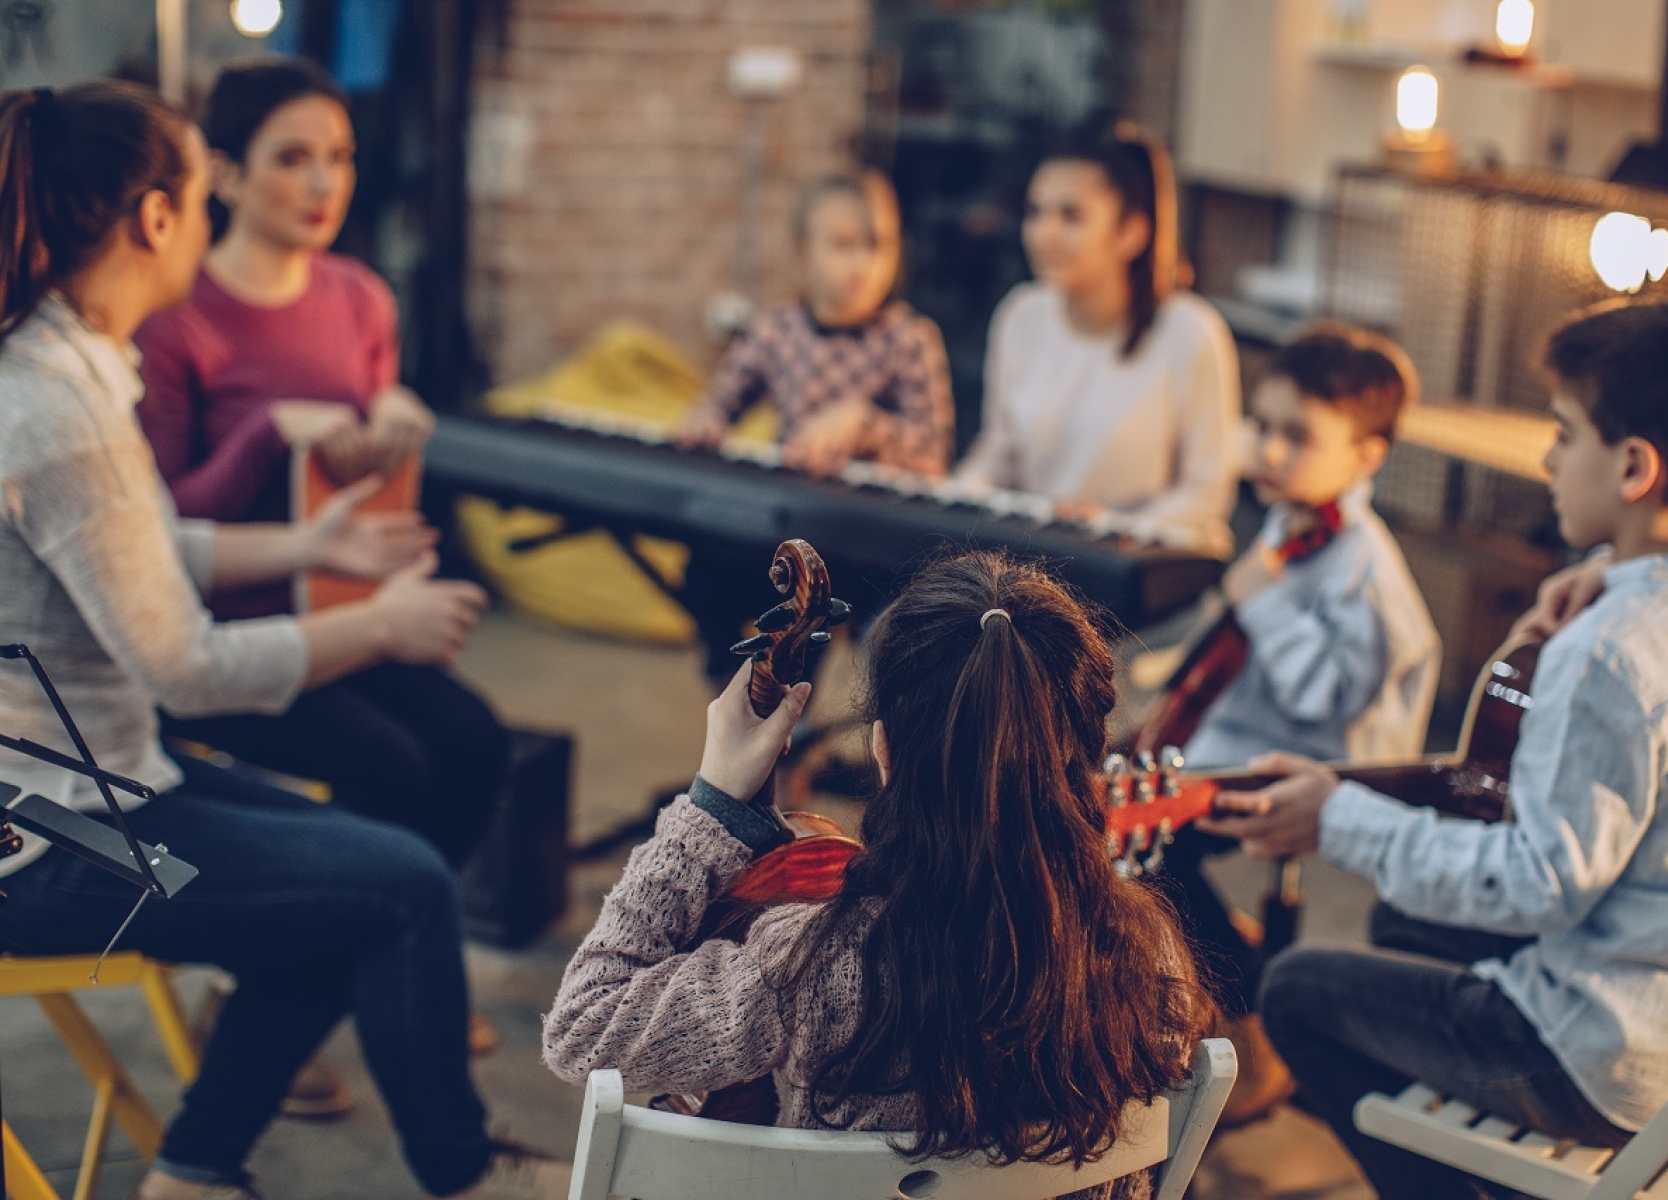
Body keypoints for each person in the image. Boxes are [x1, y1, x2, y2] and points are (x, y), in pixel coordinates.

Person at [0, 81, 562, 1200]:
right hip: (56, 844)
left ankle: (198, 1168)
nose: (210, 223)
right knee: (401, 883)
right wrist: (380, 620)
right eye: (206, 196)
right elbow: (190, 671)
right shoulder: (61, 413)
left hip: (79, 795)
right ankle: (457, 1173)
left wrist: (313, 548)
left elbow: (148, 546)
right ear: (157, 219)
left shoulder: (55, 371)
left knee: (375, 869)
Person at [1202, 296, 1668, 1199]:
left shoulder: (1606, 656)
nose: (1550, 459)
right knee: (1402, 922)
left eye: (1565, 435)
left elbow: (1534, 886)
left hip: (1601, 1064)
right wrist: (1607, 568)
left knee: (1295, 991)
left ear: (1633, 465)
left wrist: (1338, 819)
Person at [544, 551, 1217, 1199]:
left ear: (883, 746)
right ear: (1090, 764)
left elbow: (581, 1029)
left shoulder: (807, 965)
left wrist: (712, 803)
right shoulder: (1150, 964)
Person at [134, 58, 507, 881]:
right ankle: (348, 945)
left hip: (349, 607)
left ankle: (376, 951)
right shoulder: (173, 318)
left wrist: (395, 407)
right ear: (225, 174)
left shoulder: (361, 298)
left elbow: (359, 444)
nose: (324, 182)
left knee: (476, 745)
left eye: (339, 156)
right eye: (293, 158)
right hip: (228, 634)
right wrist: (268, 433)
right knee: (392, 767)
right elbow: (161, 524)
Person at [1152, 324, 1439, 1128]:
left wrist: (1260, 598)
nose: (1270, 452)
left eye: (1298, 436)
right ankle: (1224, 966)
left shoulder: (1365, 570)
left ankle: (1249, 1017)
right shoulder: (1292, 523)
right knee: (1111, 806)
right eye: (1265, 427)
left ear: (1368, 456)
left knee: (1148, 841)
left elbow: (1324, 697)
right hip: (1247, 747)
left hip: (1318, 770)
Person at [675, 168, 954, 684]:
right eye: (843, 245)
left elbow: (933, 454)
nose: (863, 263)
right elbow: (720, 403)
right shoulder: (775, 330)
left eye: (878, 245)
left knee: (885, 633)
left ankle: (819, 728)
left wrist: (866, 423)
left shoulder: (910, 338)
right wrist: (708, 419)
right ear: (802, 253)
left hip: (870, 537)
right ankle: (744, 695)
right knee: (709, 566)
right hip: (789, 527)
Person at [954, 126, 1240, 556]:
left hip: (1143, 573)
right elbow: (1000, 451)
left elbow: (1205, 495)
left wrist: (1107, 529)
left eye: (1070, 216)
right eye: (1035, 212)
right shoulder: (1021, 315)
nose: (1043, 234)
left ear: (1131, 233)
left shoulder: (1191, 332)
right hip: (1035, 562)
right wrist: (955, 495)